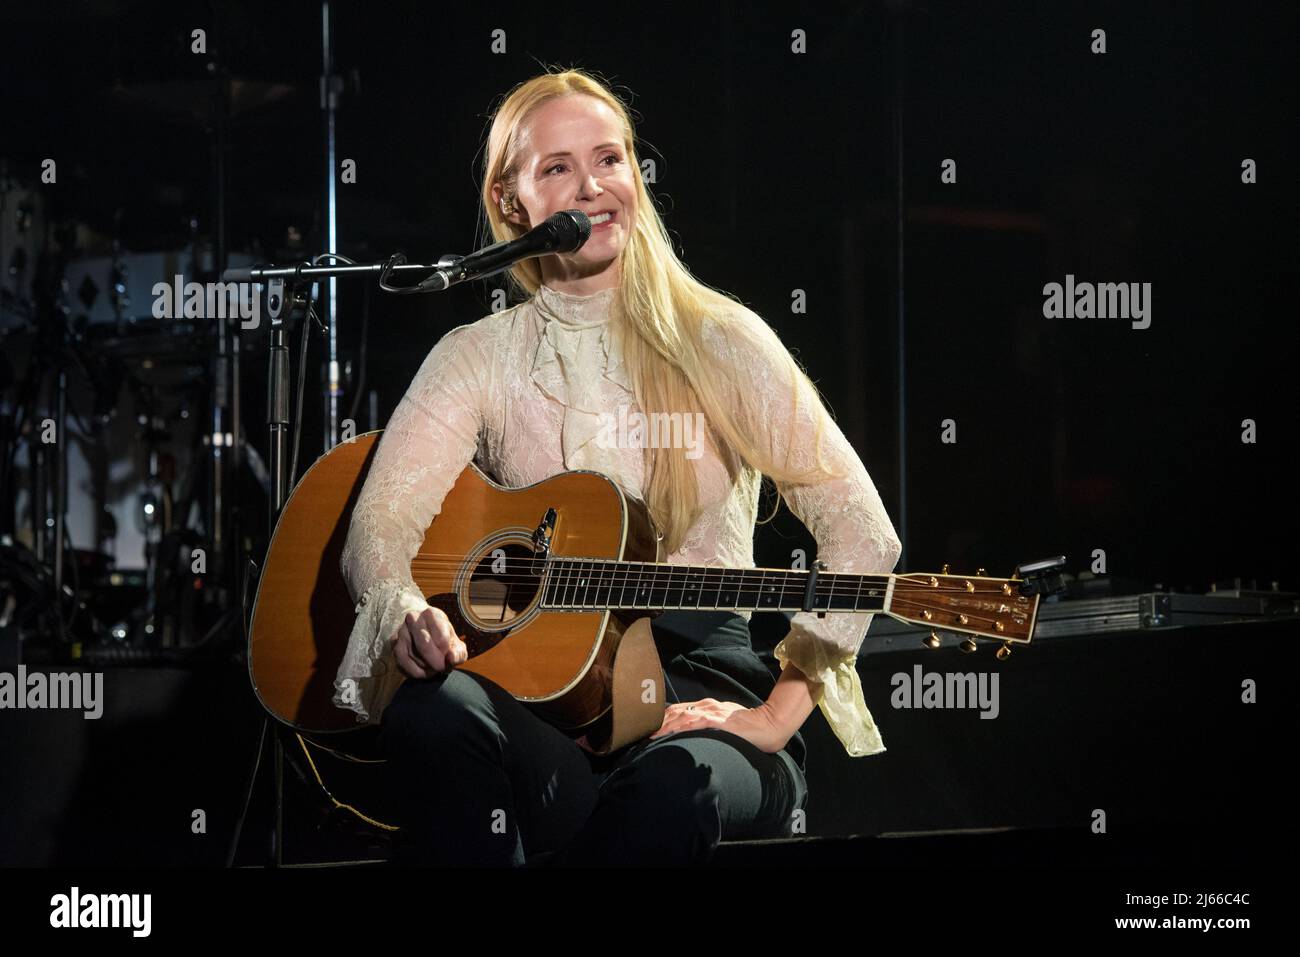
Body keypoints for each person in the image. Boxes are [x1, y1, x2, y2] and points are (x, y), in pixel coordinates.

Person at [332, 68, 902, 867]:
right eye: (558, 168)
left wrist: (770, 719)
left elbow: (863, 537)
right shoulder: (474, 358)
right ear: (512, 202)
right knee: (432, 712)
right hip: (551, 702)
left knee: (668, 793)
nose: (593, 187)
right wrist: (399, 608)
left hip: (708, 696)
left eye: (610, 159)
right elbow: (378, 527)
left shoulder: (723, 340)